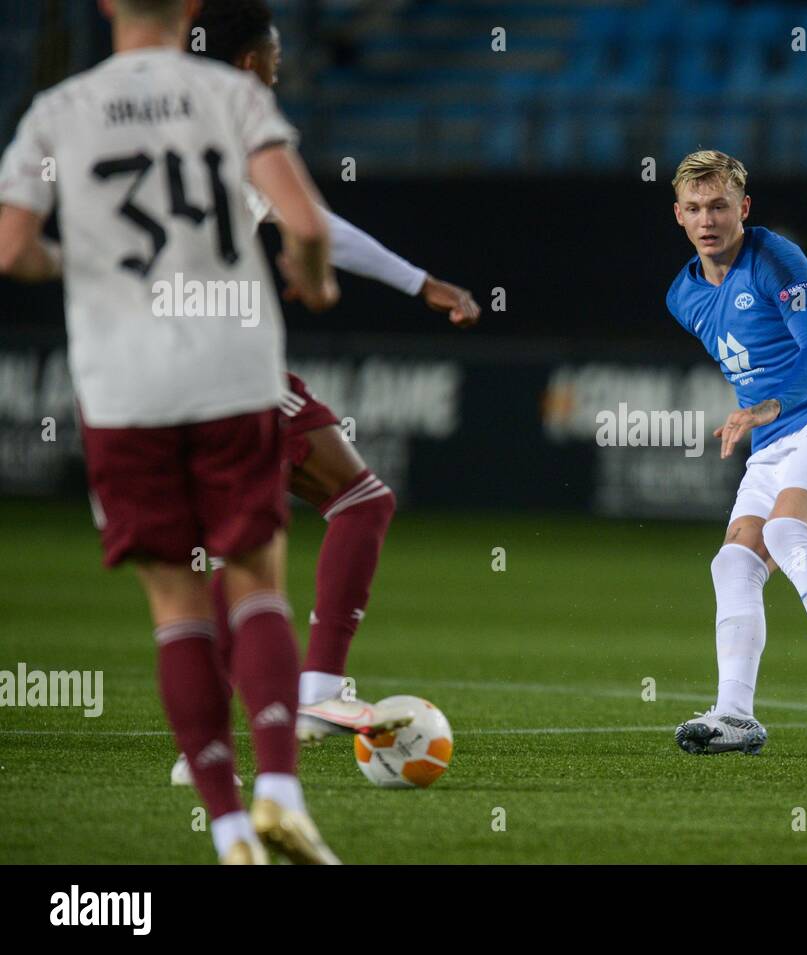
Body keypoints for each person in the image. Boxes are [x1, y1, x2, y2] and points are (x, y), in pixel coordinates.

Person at [0, 0, 346, 861]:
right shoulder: (229, 95)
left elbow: (11, 252)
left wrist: (74, 260)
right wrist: (313, 281)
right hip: (231, 371)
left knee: (175, 607)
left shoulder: (57, 110)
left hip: (123, 388)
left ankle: (227, 826)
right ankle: (279, 789)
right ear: (189, 7)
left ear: (106, 6)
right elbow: (302, 223)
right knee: (255, 580)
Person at [165, 0, 482, 790]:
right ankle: (284, 705)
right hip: (223, 357)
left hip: (164, 358)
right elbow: (313, 226)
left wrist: (417, 281)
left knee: (285, 525)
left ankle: (231, 730)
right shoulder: (242, 117)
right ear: (249, 62)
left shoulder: (160, 119)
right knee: (324, 515)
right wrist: (397, 281)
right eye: (274, 57)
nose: (281, 70)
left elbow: (313, 223)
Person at [664, 150, 807, 756]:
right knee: (734, 561)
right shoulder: (682, 297)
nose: (707, 219)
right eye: (694, 208)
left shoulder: (775, 259)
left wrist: (769, 408)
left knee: (791, 533)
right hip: (779, 444)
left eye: (719, 206)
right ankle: (735, 715)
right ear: (679, 217)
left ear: (743, 208)